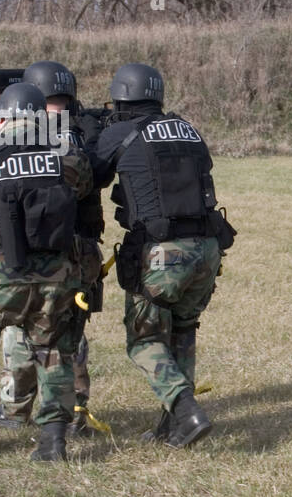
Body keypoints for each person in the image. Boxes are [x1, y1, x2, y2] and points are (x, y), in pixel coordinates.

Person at [0, 82, 92, 461]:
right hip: (55, 279)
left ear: (3, 116)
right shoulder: (66, 153)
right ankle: (53, 442)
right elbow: (85, 184)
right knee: (53, 352)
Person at [90, 63, 234, 448]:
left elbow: (90, 176)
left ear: (123, 98)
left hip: (163, 254)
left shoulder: (122, 131)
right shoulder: (188, 129)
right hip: (206, 250)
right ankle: (173, 426)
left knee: (144, 340)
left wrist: (89, 136)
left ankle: (186, 410)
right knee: (182, 332)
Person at [0, 60, 107, 438]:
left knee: (21, 331)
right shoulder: (84, 133)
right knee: (70, 332)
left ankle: (18, 407)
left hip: (41, 254)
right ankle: (72, 412)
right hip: (79, 251)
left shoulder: (39, 139)